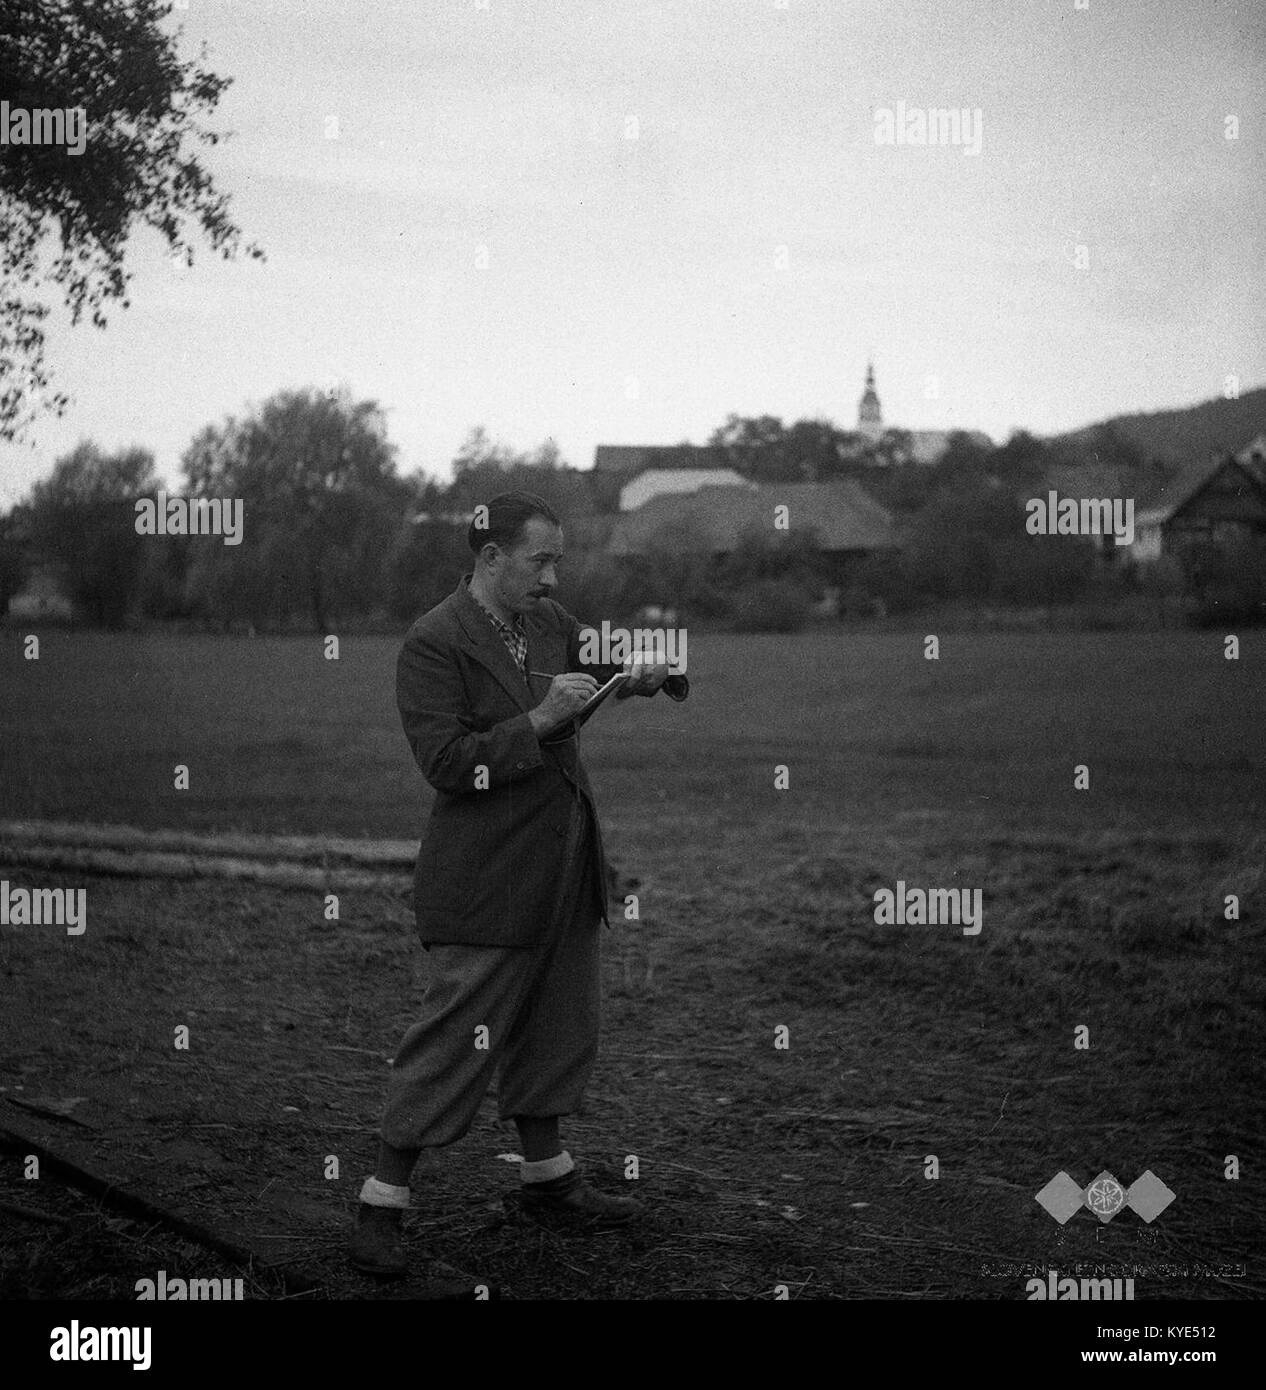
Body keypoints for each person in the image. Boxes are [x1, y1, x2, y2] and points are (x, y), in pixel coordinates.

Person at [350, 491, 689, 1282]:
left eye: (558, 560)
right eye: (540, 560)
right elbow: (444, 763)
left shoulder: (550, 623)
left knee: (560, 1023)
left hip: (567, 859)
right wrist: (537, 721)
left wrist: (637, 677)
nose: (553, 574)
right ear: (491, 557)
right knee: (454, 1038)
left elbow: (597, 668)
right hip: (489, 875)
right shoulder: (434, 641)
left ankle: (549, 1183)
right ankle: (378, 1206)